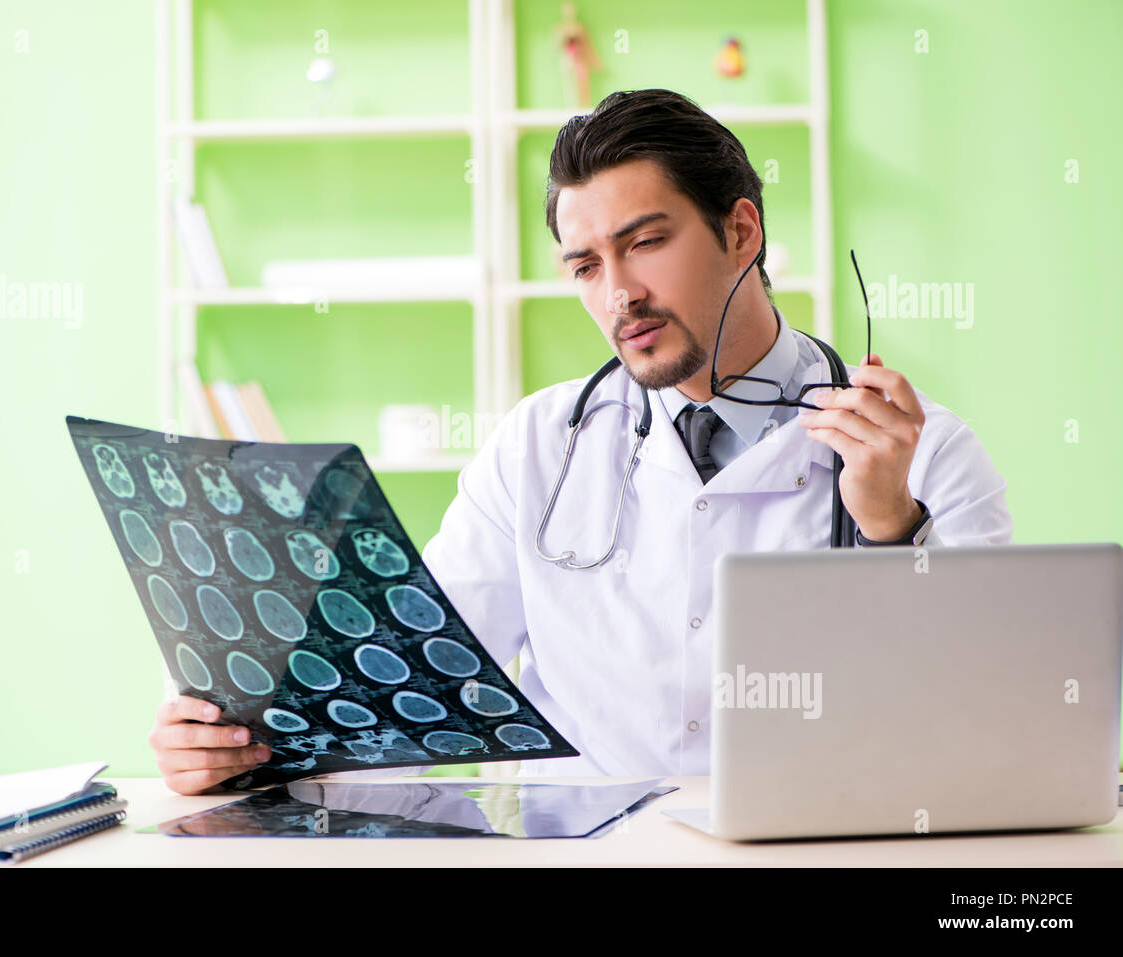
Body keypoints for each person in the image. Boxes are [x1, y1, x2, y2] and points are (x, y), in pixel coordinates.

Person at [149, 89, 1013, 795]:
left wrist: (895, 530)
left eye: (646, 243)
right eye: (586, 265)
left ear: (742, 233)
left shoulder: (926, 452)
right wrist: (239, 750)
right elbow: (406, 691)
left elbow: (990, 730)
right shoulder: (538, 446)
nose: (619, 296)